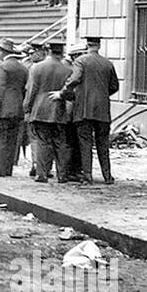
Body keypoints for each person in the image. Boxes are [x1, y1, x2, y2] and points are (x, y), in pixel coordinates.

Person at [53, 36, 120, 185]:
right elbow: (114, 86)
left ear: (87, 46)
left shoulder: (81, 61)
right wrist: (102, 94)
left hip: (84, 110)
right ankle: (107, 176)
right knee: (103, 144)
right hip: (103, 110)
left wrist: (63, 92)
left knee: (85, 143)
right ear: (99, 46)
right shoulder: (108, 63)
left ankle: (88, 176)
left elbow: (75, 79)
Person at [25, 41, 74, 183]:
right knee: (60, 143)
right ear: (62, 52)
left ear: (48, 51)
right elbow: (71, 93)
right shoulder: (67, 70)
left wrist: (27, 107)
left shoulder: (37, 68)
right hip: (59, 108)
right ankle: (62, 175)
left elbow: (31, 90)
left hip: (40, 108)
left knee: (42, 142)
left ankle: (41, 174)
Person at [0, 39, 27, 177]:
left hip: (4, 107)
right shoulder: (22, 67)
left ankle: (1, 169)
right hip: (18, 107)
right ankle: (8, 168)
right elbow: (25, 88)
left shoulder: (3, 66)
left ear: (3, 52)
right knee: (12, 139)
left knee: (1, 138)